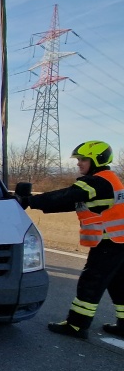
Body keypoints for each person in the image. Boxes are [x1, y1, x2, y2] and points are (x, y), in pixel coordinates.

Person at [18, 141, 124, 339]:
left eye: (83, 159)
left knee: (91, 282)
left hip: (109, 242)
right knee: (119, 284)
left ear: (97, 160)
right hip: (118, 241)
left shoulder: (96, 181)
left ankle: (76, 325)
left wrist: (29, 201)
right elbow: (72, 202)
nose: (79, 164)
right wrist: (36, 204)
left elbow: (66, 196)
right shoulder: (109, 180)